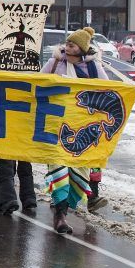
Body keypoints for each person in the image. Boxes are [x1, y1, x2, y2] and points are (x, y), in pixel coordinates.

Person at [40, 27, 110, 233]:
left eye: (72, 45)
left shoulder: (94, 68)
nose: (67, 47)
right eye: (66, 44)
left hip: (83, 131)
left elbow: (106, 92)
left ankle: (74, 203)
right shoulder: (54, 63)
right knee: (58, 170)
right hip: (56, 127)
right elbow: (38, 84)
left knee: (80, 173)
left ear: (81, 49)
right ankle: (60, 217)